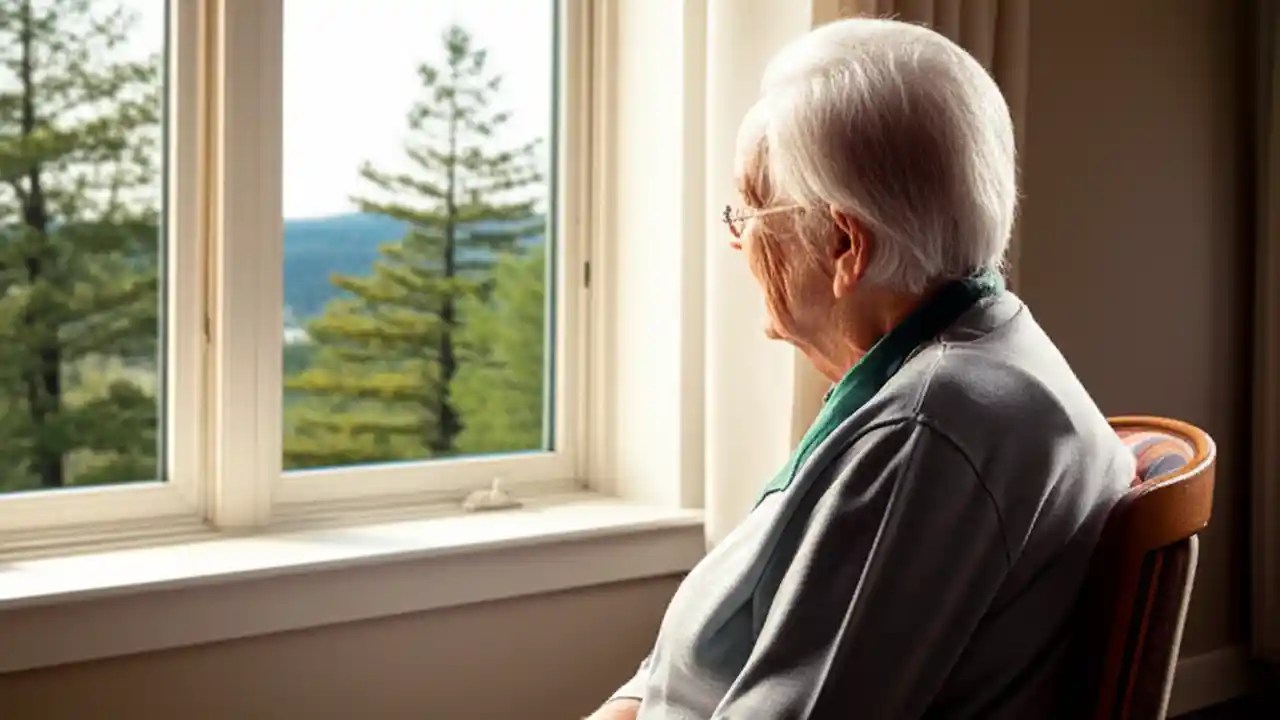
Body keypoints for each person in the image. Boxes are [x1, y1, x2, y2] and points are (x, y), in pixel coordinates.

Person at [586, 16, 1133, 720]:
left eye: (750, 208)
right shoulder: (960, 366)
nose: (737, 240)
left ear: (846, 245)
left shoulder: (929, 429)